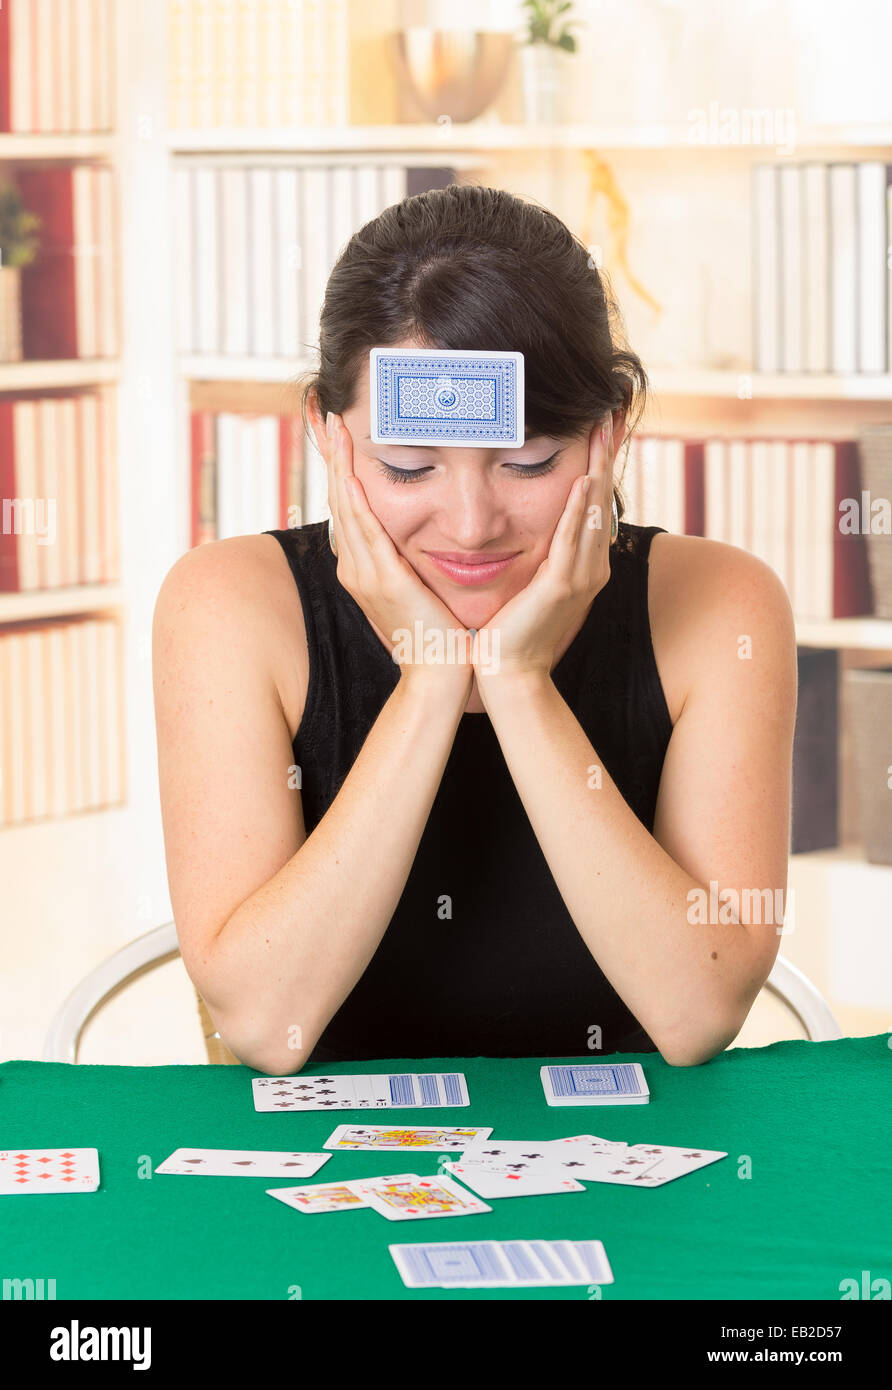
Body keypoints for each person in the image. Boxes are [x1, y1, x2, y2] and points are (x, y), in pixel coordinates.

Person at [152, 184, 797, 1075]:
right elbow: (267, 1025)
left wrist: (520, 685)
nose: (470, 524)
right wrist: (429, 682)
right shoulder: (227, 604)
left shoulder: (724, 607)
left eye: (528, 462)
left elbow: (695, 1015)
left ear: (609, 432)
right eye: (408, 467)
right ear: (327, 436)